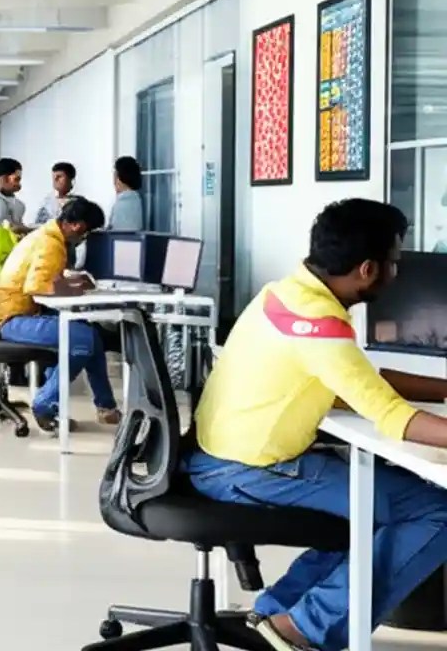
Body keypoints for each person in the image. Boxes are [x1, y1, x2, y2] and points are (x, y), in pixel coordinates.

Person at [186, 198, 447, 651]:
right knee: (435, 509)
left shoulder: (287, 293)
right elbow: (390, 415)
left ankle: (275, 615)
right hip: (245, 468)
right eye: (394, 264)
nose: (395, 274)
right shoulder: (320, 322)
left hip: (223, 454)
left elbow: (357, 383)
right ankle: (305, 628)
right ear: (368, 269)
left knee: (383, 502)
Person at [0, 196, 119, 434]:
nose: (84, 238)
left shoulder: (47, 236)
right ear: (78, 226)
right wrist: (75, 288)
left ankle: (107, 408)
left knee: (91, 336)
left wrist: (71, 281)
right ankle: (45, 402)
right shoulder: (50, 243)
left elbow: (48, 277)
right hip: (15, 320)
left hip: (24, 314)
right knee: (83, 338)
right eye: (87, 232)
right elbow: (36, 286)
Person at [107, 156, 145, 231]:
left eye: (115, 175)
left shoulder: (124, 203)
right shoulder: (134, 199)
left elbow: (121, 236)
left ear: (119, 179)